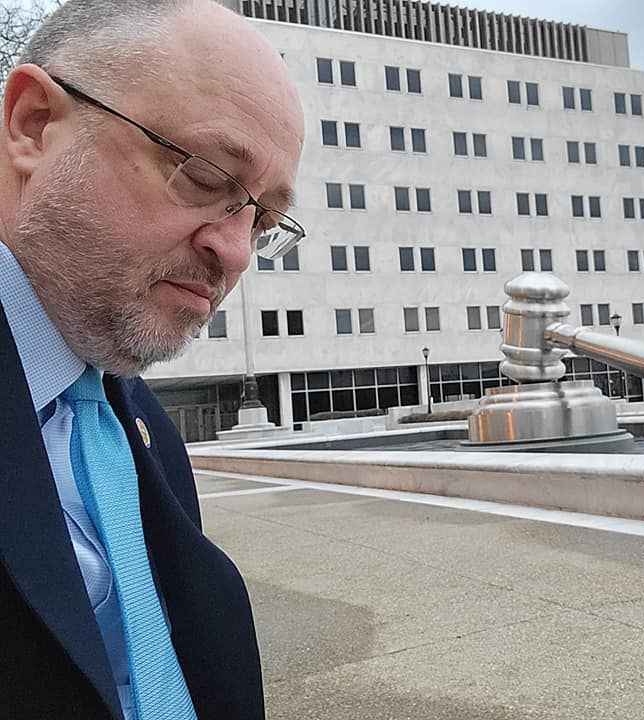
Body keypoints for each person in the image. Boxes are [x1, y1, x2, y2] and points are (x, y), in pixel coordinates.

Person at [0, 1, 305, 718]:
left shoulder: (141, 426)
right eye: (203, 176)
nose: (236, 252)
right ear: (34, 124)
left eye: (262, 219)